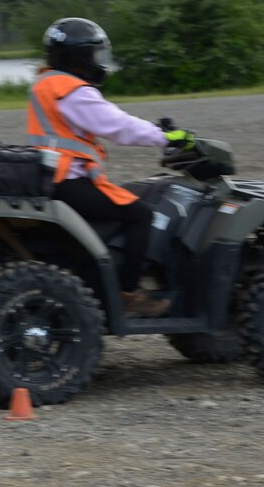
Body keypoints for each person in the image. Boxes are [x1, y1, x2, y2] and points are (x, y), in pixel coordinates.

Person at [25, 17, 195, 317]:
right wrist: (164, 136)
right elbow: (117, 125)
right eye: (94, 54)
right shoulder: (73, 90)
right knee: (141, 215)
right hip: (68, 180)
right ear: (78, 57)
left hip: (51, 177)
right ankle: (128, 294)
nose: (98, 61)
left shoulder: (45, 83)